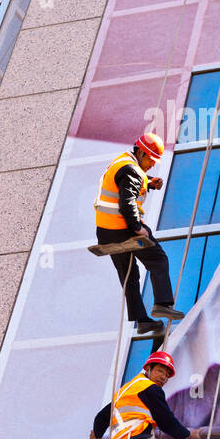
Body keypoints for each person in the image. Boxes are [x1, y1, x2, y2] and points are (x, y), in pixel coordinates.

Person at [94, 133, 183, 337]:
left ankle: (142, 321)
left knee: (129, 276)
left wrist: (149, 182)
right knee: (158, 260)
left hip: (105, 233)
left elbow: (125, 183)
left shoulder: (122, 162)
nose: (152, 164)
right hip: (123, 229)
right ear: (141, 152)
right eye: (150, 159)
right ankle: (163, 304)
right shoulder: (133, 171)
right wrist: (137, 228)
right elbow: (127, 202)